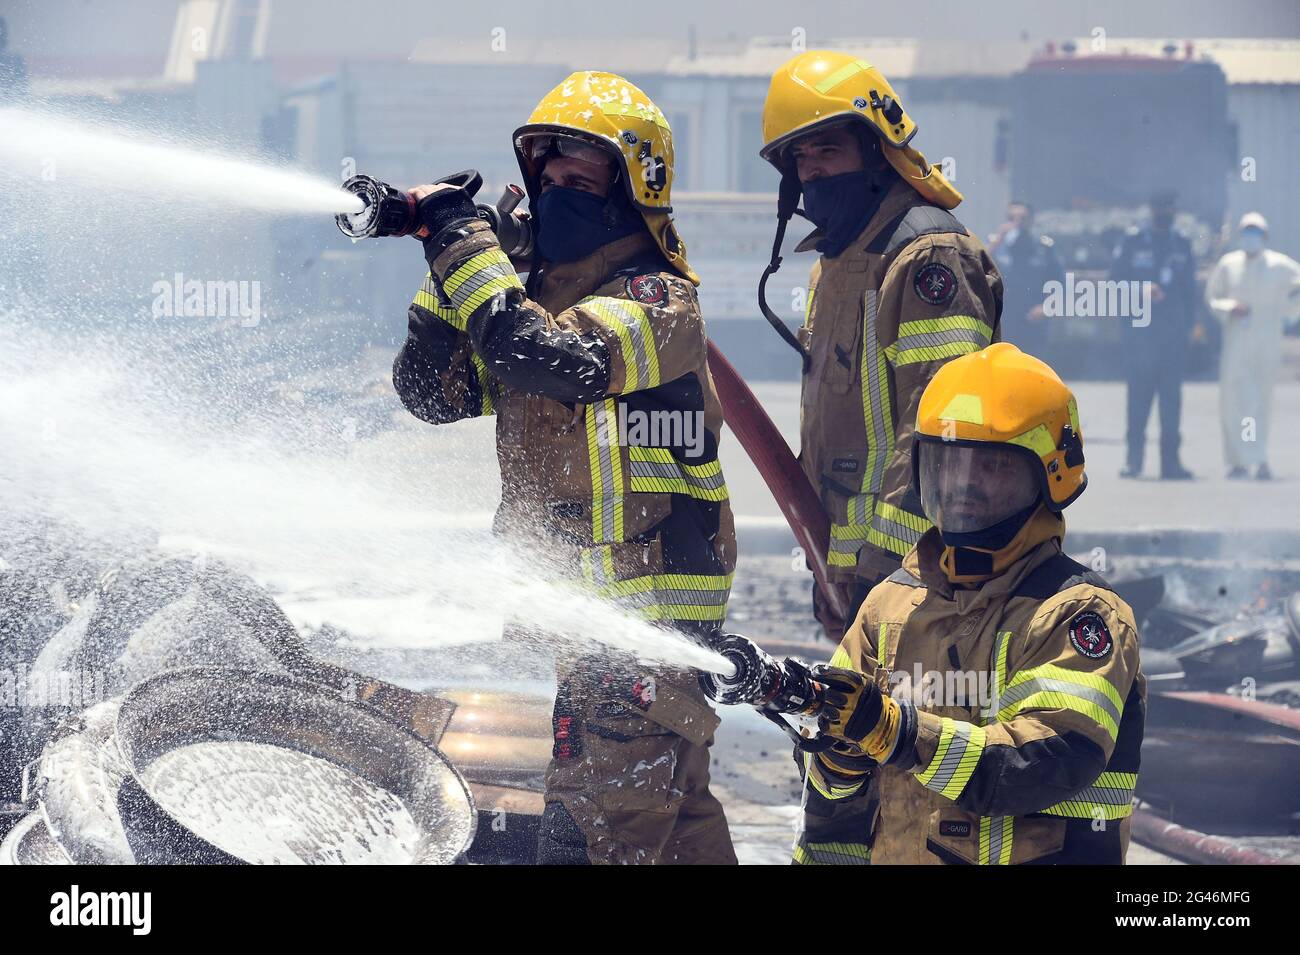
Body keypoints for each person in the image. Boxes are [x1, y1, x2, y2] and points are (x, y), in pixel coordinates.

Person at [392, 71, 737, 864]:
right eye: (548, 177)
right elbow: (431, 393)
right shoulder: (535, 302)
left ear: (630, 190)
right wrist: (448, 261)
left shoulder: (657, 300)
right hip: (598, 653)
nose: (558, 192)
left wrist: (461, 238)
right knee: (680, 844)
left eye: (581, 177)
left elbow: (551, 357)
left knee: (582, 847)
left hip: (641, 653)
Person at [794, 343, 1145, 865]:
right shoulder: (888, 605)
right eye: (947, 464)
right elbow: (831, 802)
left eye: (992, 467)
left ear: (1052, 474)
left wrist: (897, 732)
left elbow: (1040, 763)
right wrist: (835, 750)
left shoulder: (1079, 616)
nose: (962, 487)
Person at [758, 51, 1003, 640]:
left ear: (875, 152)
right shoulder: (839, 263)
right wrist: (830, 569)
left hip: (920, 579)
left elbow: (941, 431)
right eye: (802, 158)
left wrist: (886, 571)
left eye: (829, 150)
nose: (813, 171)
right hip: (853, 574)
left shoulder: (927, 257)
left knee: (918, 729)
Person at [1205, 212, 1300, 480]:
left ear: (1265, 237)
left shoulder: (1280, 265)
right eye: (1247, 232)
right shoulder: (1228, 264)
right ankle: (1236, 461)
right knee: (1233, 402)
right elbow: (1213, 297)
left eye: (1256, 232)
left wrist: (1288, 311)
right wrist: (1229, 308)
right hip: (1236, 343)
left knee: (1260, 402)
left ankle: (1259, 459)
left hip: (1267, 341)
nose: (1251, 238)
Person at [1111, 192, 1197, 480]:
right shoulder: (1133, 242)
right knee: (1138, 402)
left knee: (1171, 404)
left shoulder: (1182, 245)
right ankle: (1133, 461)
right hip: (1140, 339)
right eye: (1160, 206)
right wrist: (1141, 290)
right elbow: (1115, 283)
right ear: (1151, 209)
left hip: (1172, 340)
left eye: (1169, 206)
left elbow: (1190, 293)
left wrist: (1191, 328)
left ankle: (1171, 463)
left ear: (1175, 209)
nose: (1165, 211)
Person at [988, 200, 1064, 361]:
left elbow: (1059, 283)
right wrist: (998, 240)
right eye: (1012, 218)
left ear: (1031, 220)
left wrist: (1046, 307)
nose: (1017, 222)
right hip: (1004, 319)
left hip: (1033, 319)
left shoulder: (1043, 248)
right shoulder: (997, 247)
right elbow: (977, 269)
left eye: (1022, 218)